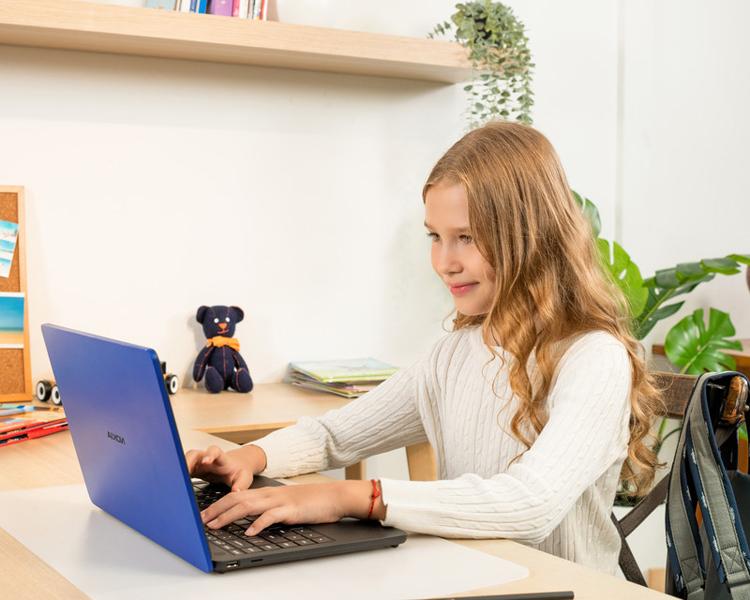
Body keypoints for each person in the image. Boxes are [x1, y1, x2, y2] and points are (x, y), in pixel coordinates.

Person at [186, 121, 661, 575]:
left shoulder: (593, 358)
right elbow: (335, 437)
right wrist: (250, 458)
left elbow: (531, 503)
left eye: (467, 238)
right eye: (436, 236)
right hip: (476, 578)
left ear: (530, 239)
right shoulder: (456, 352)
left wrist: (354, 498)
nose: (445, 262)